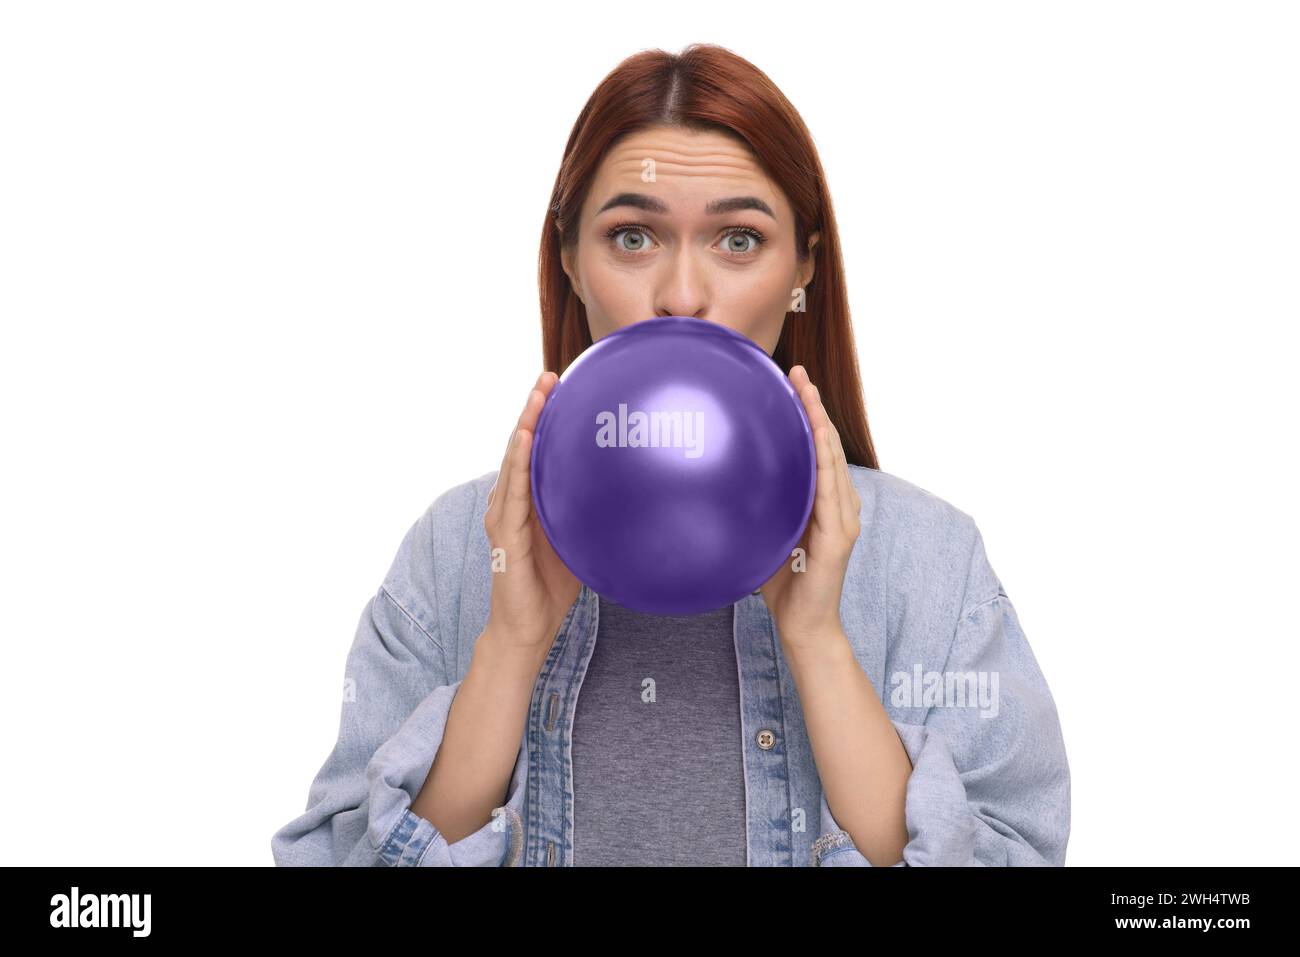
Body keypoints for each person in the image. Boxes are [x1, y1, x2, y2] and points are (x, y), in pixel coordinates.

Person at [271, 43, 1070, 867]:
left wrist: (820, 640)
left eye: (737, 239)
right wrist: (508, 649)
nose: (683, 295)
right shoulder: (455, 552)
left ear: (804, 267)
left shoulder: (930, 560)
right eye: (631, 236)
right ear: (571, 262)